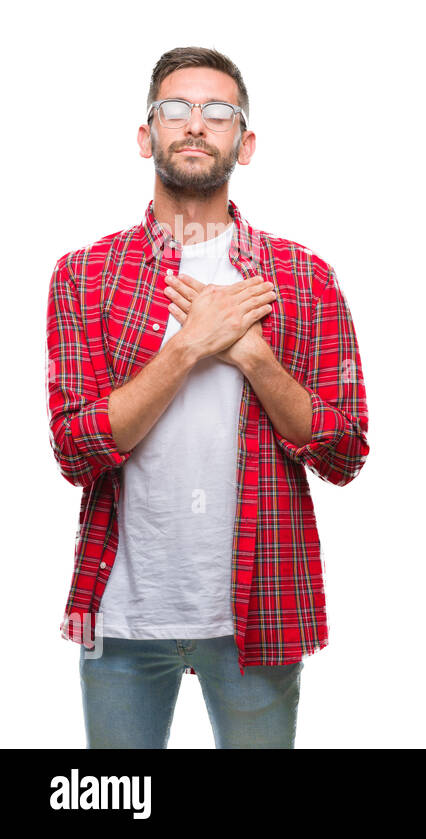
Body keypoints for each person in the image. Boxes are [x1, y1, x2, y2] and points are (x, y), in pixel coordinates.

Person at [45, 46, 369, 748]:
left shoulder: (304, 277)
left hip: (258, 612)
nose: (196, 124)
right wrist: (189, 346)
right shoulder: (83, 275)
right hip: (124, 620)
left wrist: (252, 354)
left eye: (218, 112)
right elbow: (76, 449)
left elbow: (345, 451)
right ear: (146, 135)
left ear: (244, 143)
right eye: (176, 109)